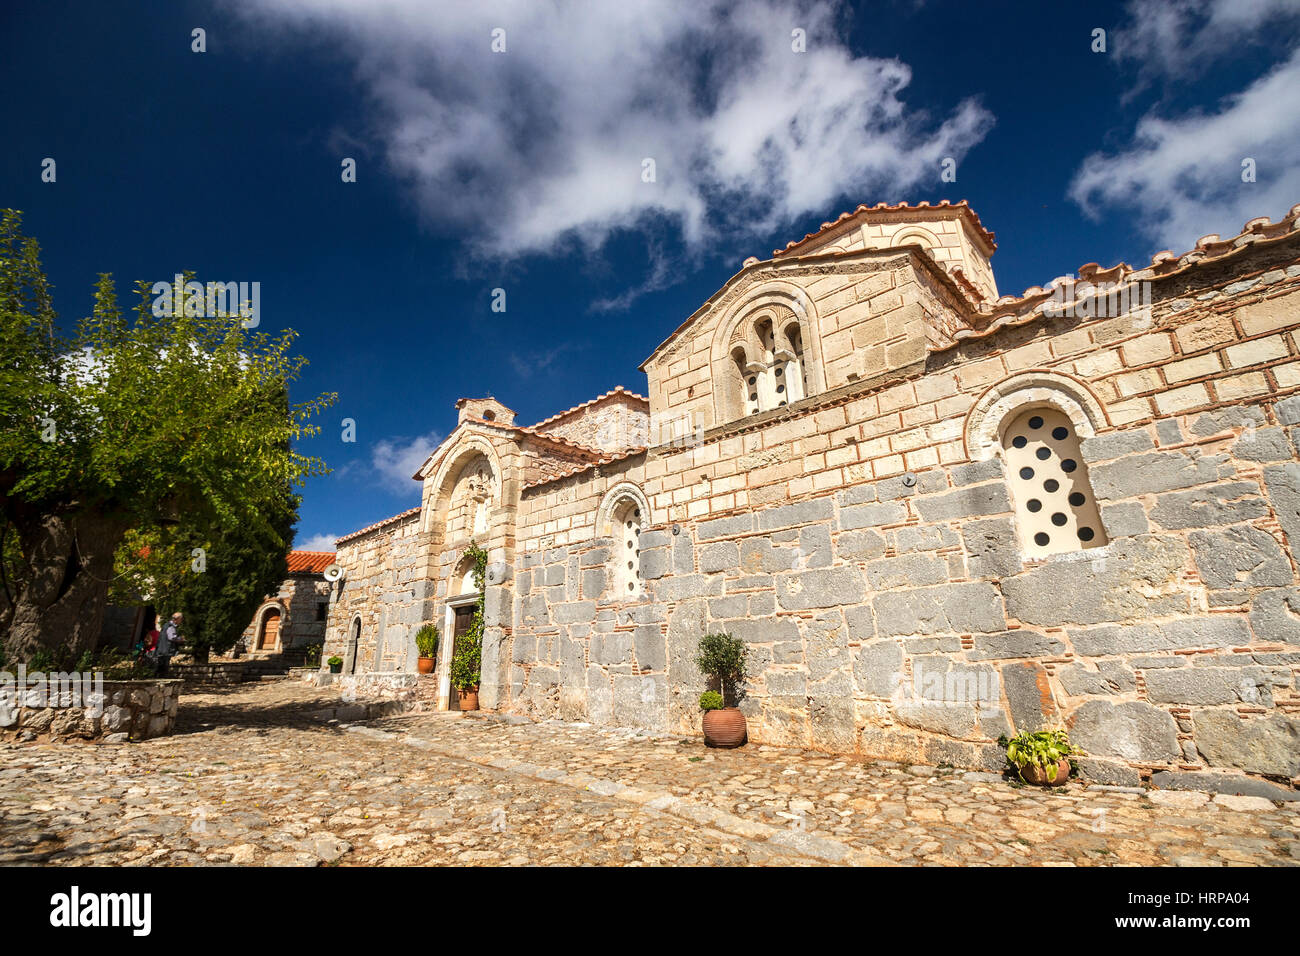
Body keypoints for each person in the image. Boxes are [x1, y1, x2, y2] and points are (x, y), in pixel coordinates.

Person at [156, 612, 183, 676]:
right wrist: (180, 639)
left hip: (162, 649)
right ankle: (161, 680)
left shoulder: (166, 625)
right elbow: (172, 638)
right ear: (177, 619)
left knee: (161, 666)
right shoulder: (171, 627)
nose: (181, 621)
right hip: (166, 649)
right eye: (181, 619)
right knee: (163, 667)